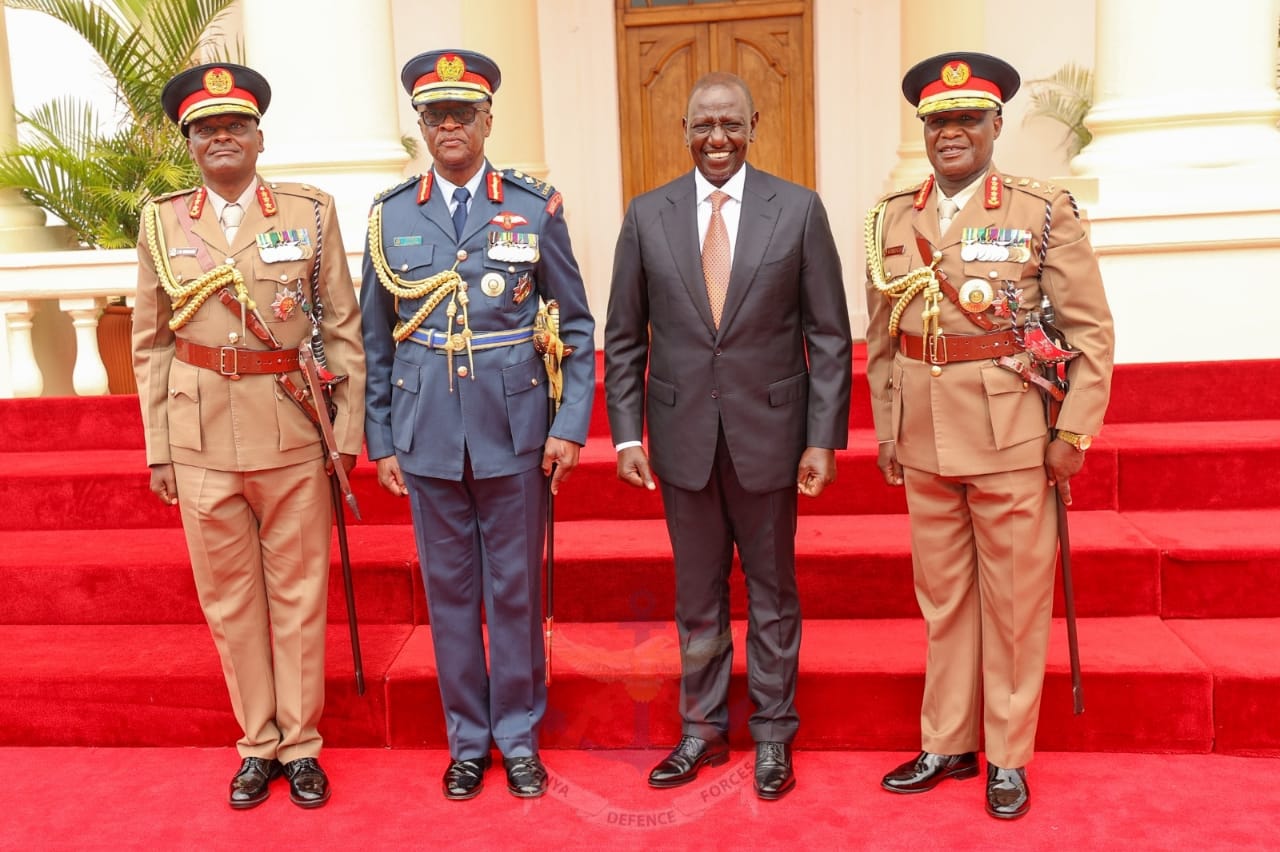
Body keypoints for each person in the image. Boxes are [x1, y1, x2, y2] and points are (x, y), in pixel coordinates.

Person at [865, 52, 1115, 820]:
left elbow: (1090, 332)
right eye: (938, 122)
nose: (951, 134)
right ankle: (947, 741)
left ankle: (1007, 756)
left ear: (995, 126)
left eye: (968, 119)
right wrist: (886, 427)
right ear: (925, 132)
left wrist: (1073, 431)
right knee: (943, 601)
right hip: (926, 438)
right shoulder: (892, 216)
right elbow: (879, 335)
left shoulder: (1040, 211)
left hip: (1010, 434)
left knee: (1011, 603)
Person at [605, 71, 852, 801]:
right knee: (697, 596)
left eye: (731, 124)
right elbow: (623, 338)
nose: (718, 138)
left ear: (754, 125)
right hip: (682, 441)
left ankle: (774, 733)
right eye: (703, 124)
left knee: (774, 591)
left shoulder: (799, 209)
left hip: (772, 438)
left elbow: (829, 335)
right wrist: (625, 437)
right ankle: (702, 730)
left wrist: (822, 439)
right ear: (685, 129)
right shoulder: (647, 215)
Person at [360, 49, 595, 801]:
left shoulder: (532, 206)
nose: (451, 125)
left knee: (516, 592)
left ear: (489, 120)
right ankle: (468, 740)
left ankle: (518, 735)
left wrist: (570, 424)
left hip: (517, 429)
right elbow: (373, 338)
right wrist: (383, 437)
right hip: (428, 432)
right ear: (422, 127)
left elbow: (578, 326)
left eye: (465, 113)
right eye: (437, 115)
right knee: (451, 595)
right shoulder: (391, 214)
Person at [133, 63, 365, 809]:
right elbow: (149, 344)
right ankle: (256, 743)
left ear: (259, 137)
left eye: (235, 125)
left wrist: (348, 434)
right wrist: (159, 447)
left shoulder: (309, 210)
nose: (221, 138)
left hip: (291, 426)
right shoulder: (162, 221)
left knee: (297, 595)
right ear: (190, 143)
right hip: (199, 436)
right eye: (207, 128)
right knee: (229, 602)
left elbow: (342, 328)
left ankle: (301, 746)